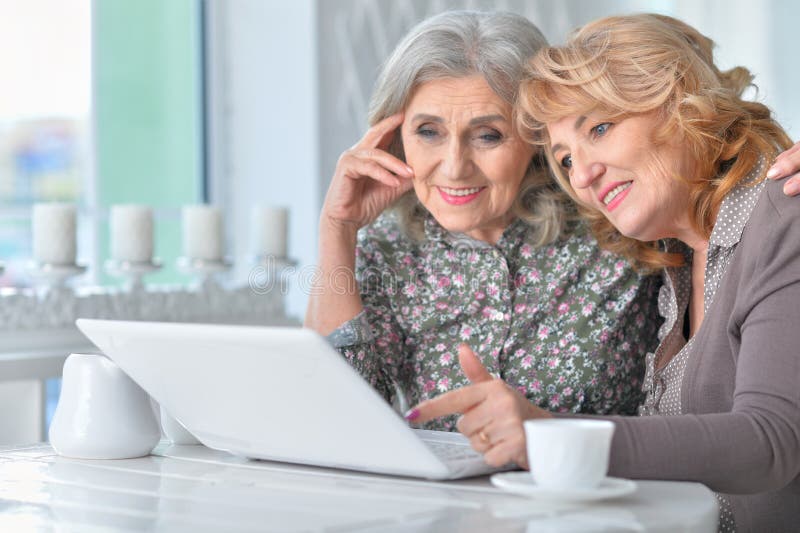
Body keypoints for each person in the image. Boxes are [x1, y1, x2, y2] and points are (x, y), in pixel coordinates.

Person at [408, 13, 800, 532]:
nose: (585, 173)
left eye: (600, 128)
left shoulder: (784, 215)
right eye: (566, 159)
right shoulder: (673, 259)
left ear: (679, 99)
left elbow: (769, 441)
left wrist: (549, 435)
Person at [304, 10, 662, 432]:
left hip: (594, 493)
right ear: (395, 137)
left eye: (488, 135)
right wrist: (337, 229)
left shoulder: (615, 226)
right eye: (429, 132)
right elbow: (336, 418)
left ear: (535, 140)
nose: (455, 168)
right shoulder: (389, 247)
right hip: (440, 497)